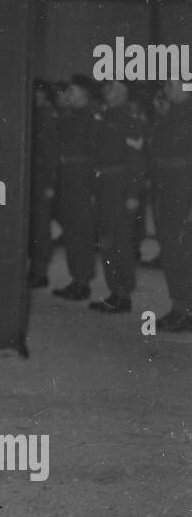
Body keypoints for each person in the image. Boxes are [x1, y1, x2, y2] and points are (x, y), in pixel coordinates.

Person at [89, 80, 146, 314]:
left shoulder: (130, 121)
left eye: (111, 87)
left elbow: (136, 160)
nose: (106, 91)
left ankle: (123, 294)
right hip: (104, 187)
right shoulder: (104, 118)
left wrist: (133, 193)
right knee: (107, 241)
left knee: (121, 241)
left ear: (122, 93)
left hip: (121, 188)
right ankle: (114, 290)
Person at [149, 78, 192, 330]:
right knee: (171, 251)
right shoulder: (169, 115)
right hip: (167, 192)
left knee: (185, 251)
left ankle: (187, 310)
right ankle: (179, 307)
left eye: (171, 84)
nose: (166, 89)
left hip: (185, 192)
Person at [52, 75, 97, 301]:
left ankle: (83, 281)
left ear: (84, 93)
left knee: (81, 233)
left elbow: (95, 156)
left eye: (72, 90)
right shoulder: (66, 117)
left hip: (82, 182)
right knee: (71, 233)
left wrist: (92, 188)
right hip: (68, 181)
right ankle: (76, 278)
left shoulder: (92, 118)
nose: (67, 95)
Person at [28, 80, 58, 287]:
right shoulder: (31, 114)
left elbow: (51, 154)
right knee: (33, 226)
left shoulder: (47, 116)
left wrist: (50, 183)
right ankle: (35, 269)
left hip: (41, 179)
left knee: (40, 228)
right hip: (31, 178)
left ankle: (40, 270)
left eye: (39, 93)